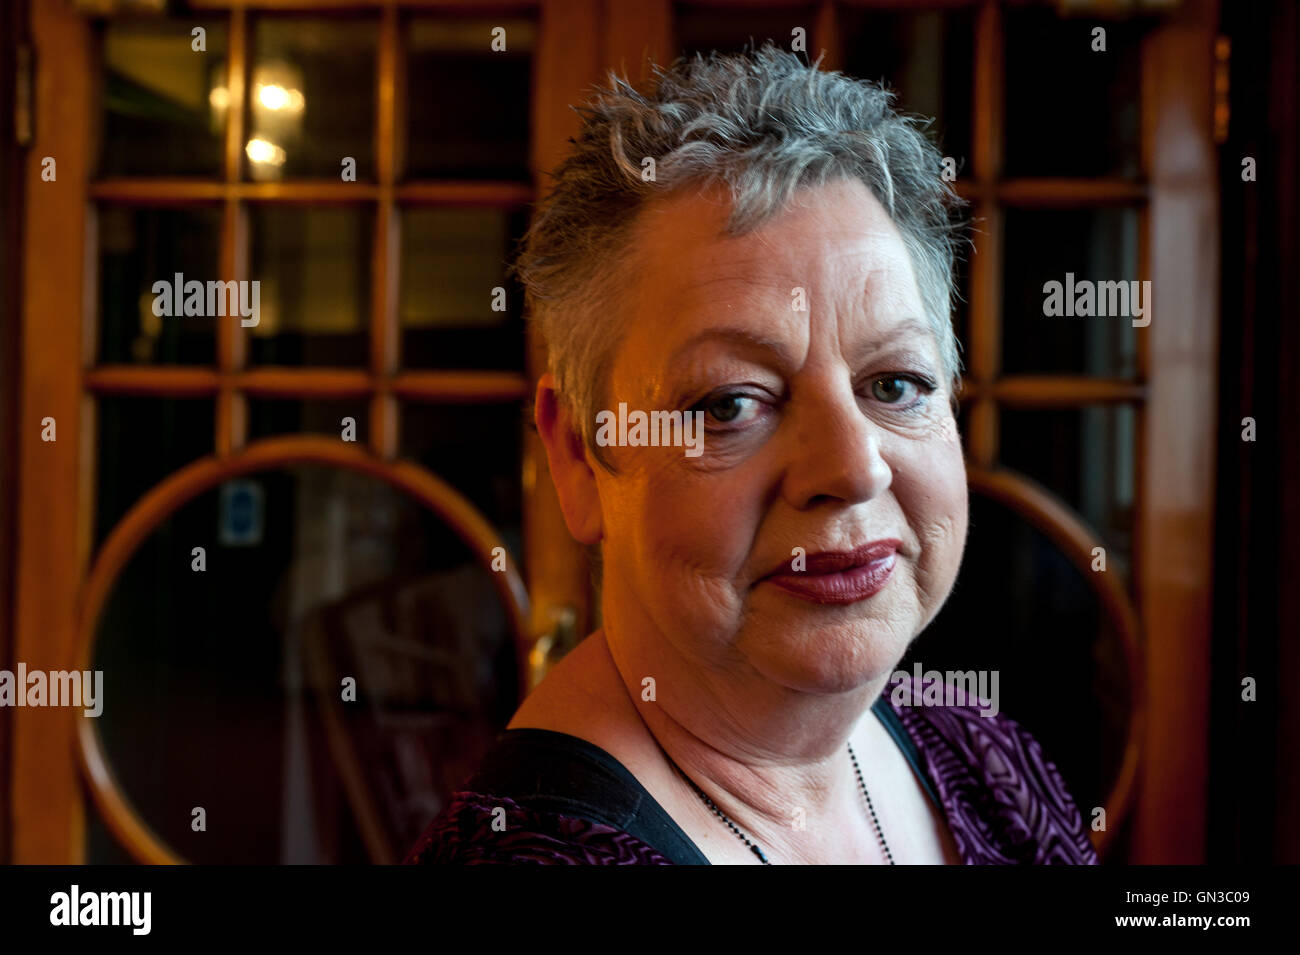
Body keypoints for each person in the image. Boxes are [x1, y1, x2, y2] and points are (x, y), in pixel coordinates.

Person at [405, 44, 1097, 865]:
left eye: (896, 384)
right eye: (731, 403)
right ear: (579, 457)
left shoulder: (978, 750)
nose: (852, 468)